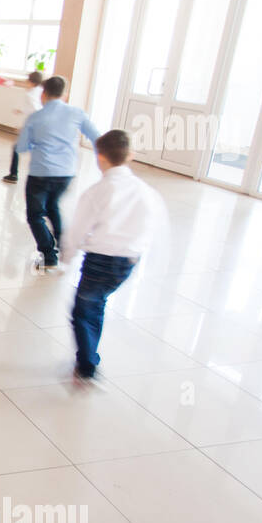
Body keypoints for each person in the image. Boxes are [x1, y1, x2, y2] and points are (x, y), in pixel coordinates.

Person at [61, 129, 164, 387]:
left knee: (83, 311)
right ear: (130, 155)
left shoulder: (98, 191)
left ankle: (87, 365)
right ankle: (89, 355)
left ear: (100, 157)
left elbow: (78, 229)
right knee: (97, 303)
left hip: (101, 260)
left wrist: (67, 255)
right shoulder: (145, 191)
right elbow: (154, 227)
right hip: (128, 261)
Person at [13, 75, 101, 271]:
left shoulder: (35, 117)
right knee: (53, 206)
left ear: (43, 93)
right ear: (65, 95)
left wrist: (34, 141)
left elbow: (21, 147)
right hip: (66, 173)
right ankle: (65, 248)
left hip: (40, 172)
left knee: (35, 215)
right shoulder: (77, 113)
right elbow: (97, 137)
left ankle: (49, 255)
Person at [4, 71, 44, 184]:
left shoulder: (30, 94)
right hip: (39, 127)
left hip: (32, 127)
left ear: (31, 82)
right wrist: (21, 110)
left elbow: (35, 110)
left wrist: (24, 127)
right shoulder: (40, 91)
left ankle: (13, 174)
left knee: (17, 148)